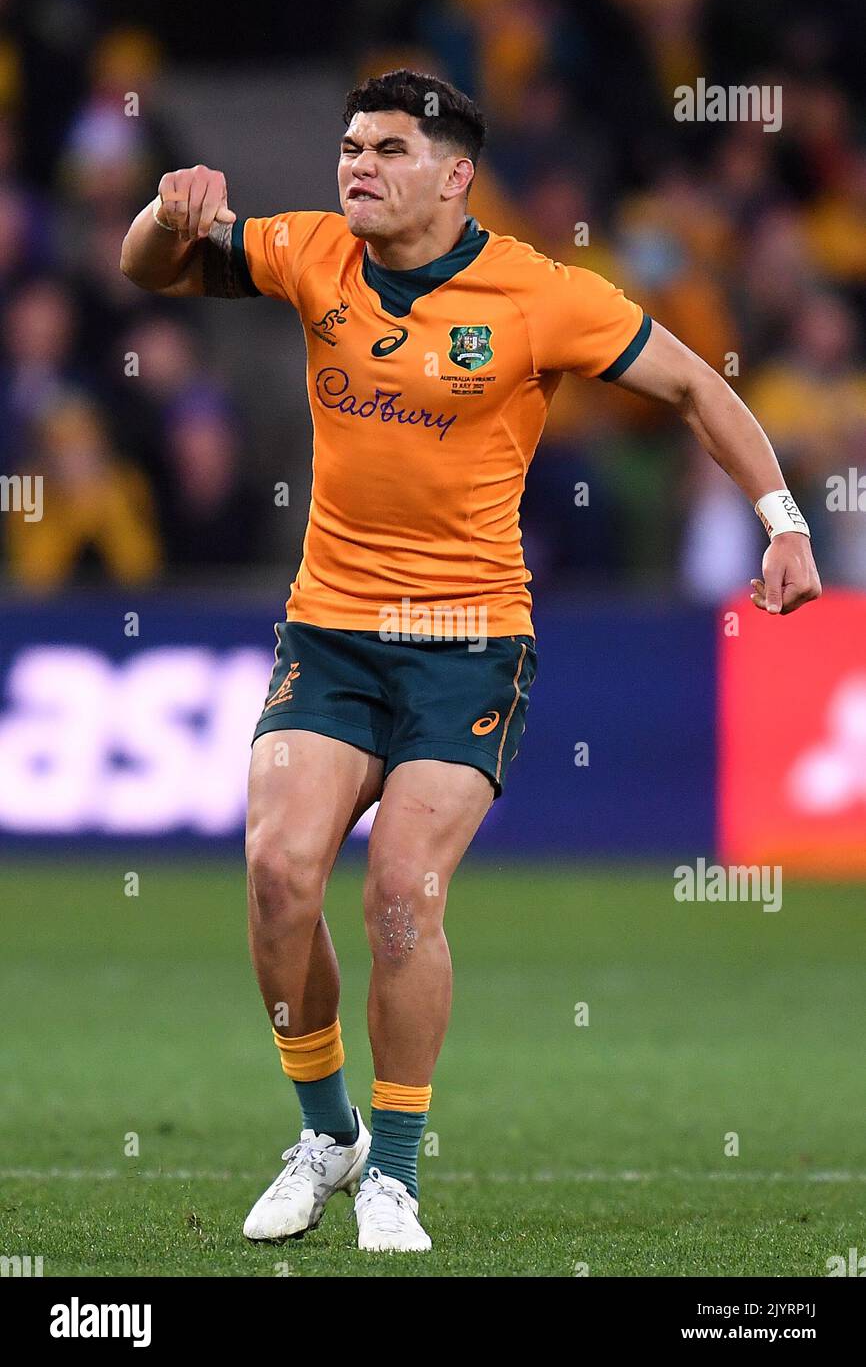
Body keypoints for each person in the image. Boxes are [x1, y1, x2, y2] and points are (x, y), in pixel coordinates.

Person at [119, 69, 821, 1254]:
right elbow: (153, 267)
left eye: (387, 149)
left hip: (466, 643)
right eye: (348, 143)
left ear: (453, 175)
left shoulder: (540, 295)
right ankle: (325, 1130)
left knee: (401, 893)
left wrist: (781, 520)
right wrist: (166, 209)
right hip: (331, 631)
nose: (357, 166)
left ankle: (392, 1171)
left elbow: (696, 385)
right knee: (280, 873)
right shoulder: (307, 251)